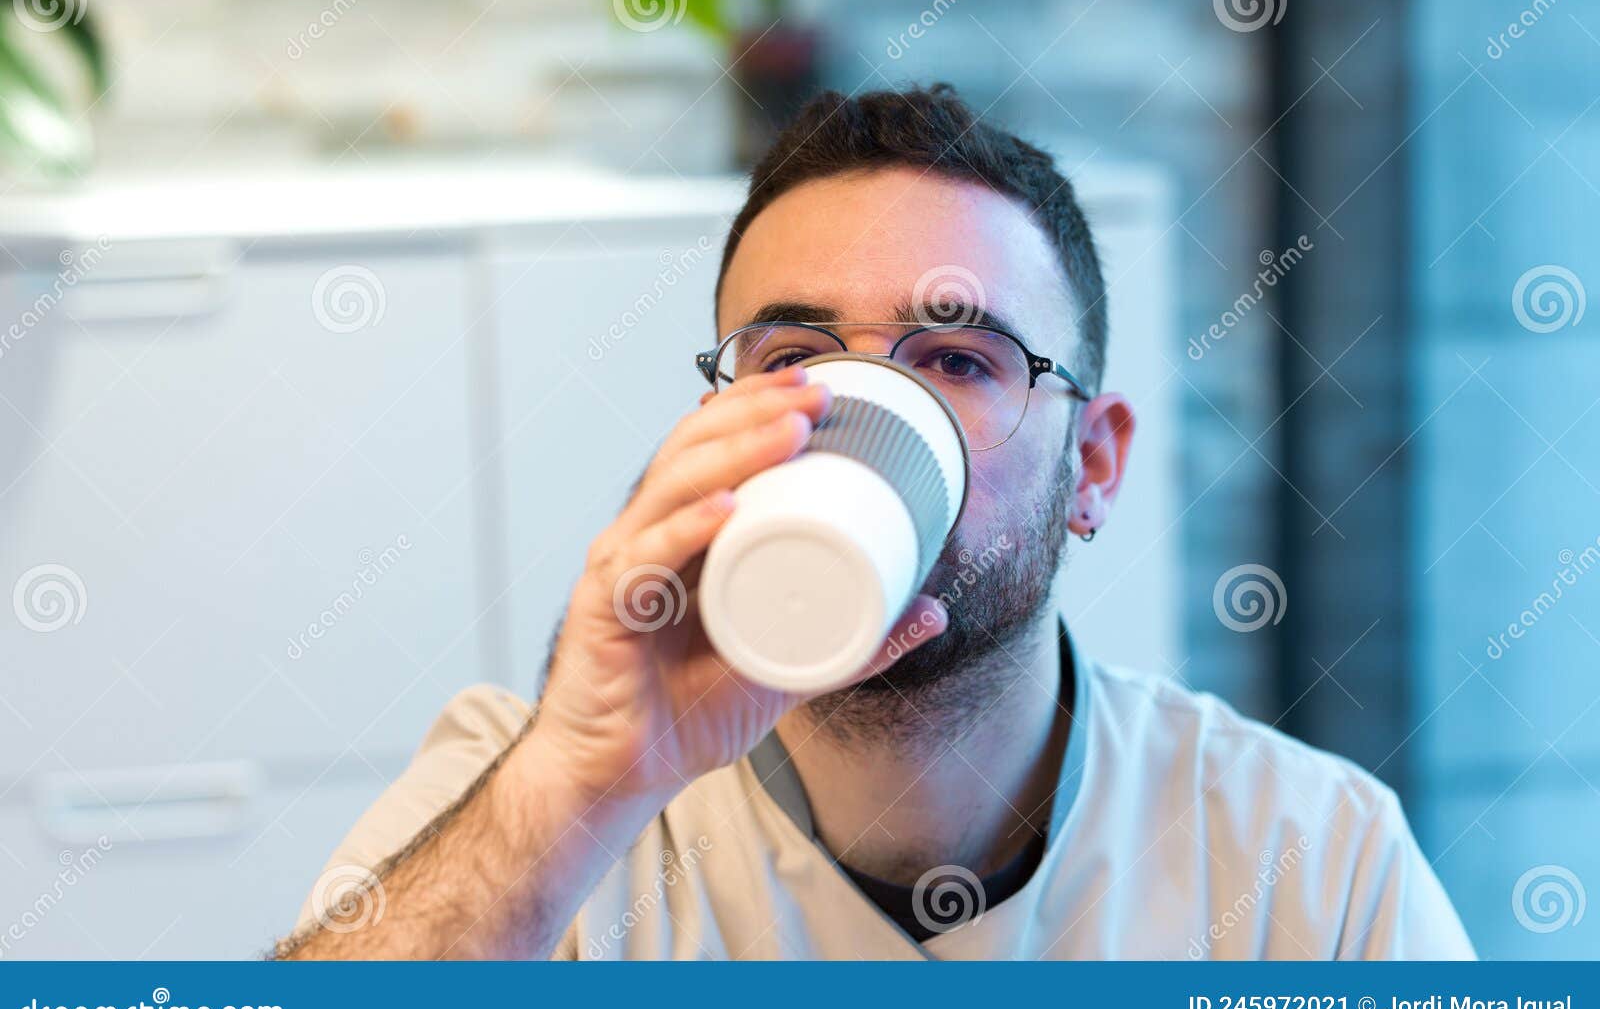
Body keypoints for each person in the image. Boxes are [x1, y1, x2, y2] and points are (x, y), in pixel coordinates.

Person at [273, 84, 1473, 960]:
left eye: (955, 358)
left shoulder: (1308, 860)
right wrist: (583, 784)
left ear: (1094, 465)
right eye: (793, 357)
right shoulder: (533, 794)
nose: (855, 415)